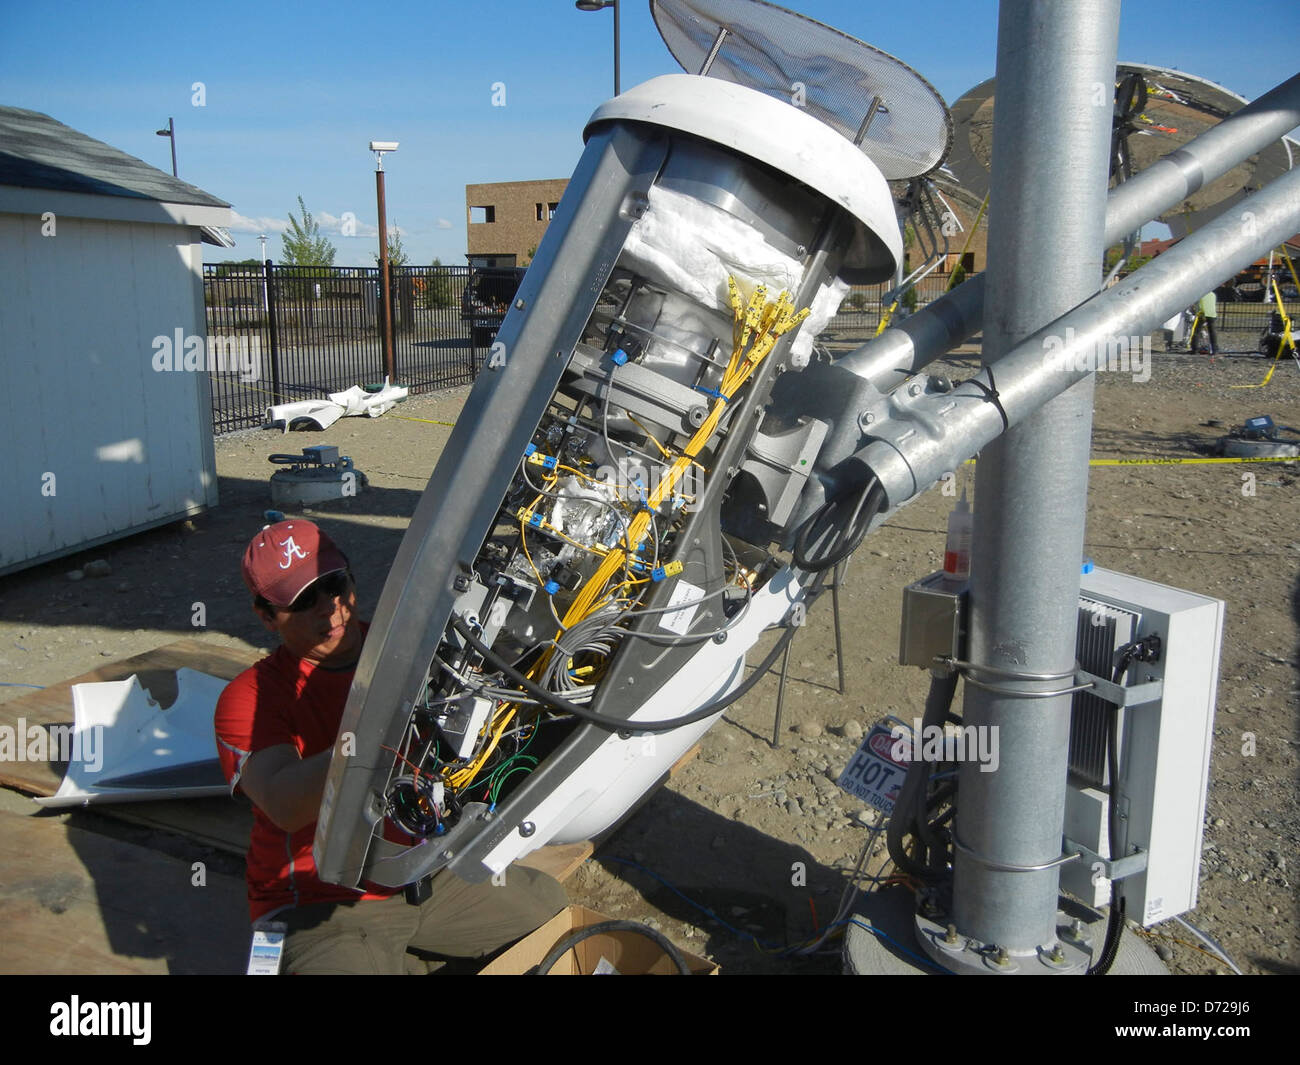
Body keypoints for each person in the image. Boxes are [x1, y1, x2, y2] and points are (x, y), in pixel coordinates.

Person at [214, 519, 566, 974]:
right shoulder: (251, 696)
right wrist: (381, 724)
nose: (331, 608)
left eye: (334, 584)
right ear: (266, 616)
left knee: (550, 919)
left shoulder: (422, 648)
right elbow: (284, 802)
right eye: (303, 600)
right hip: (323, 901)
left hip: (426, 871)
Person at [1197, 291, 1219, 355]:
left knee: (1197, 331)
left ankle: (1195, 348)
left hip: (1202, 313)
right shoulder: (1213, 295)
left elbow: (1199, 305)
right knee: (1212, 332)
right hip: (1212, 314)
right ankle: (1215, 349)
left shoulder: (1200, 294)